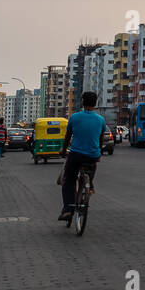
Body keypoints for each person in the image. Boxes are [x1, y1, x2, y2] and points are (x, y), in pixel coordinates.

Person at [57, 92, 106, 220]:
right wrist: (99, 153)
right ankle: (90, 184)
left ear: (82, 102)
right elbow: (100, 141)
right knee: (92, 167)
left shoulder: (74, 117)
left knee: (68, 180)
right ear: (95, 103)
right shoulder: (101, 120)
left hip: (76, 155)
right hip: (92, 156)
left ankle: (68, 209)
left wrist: (63, 150)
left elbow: (67, 137)